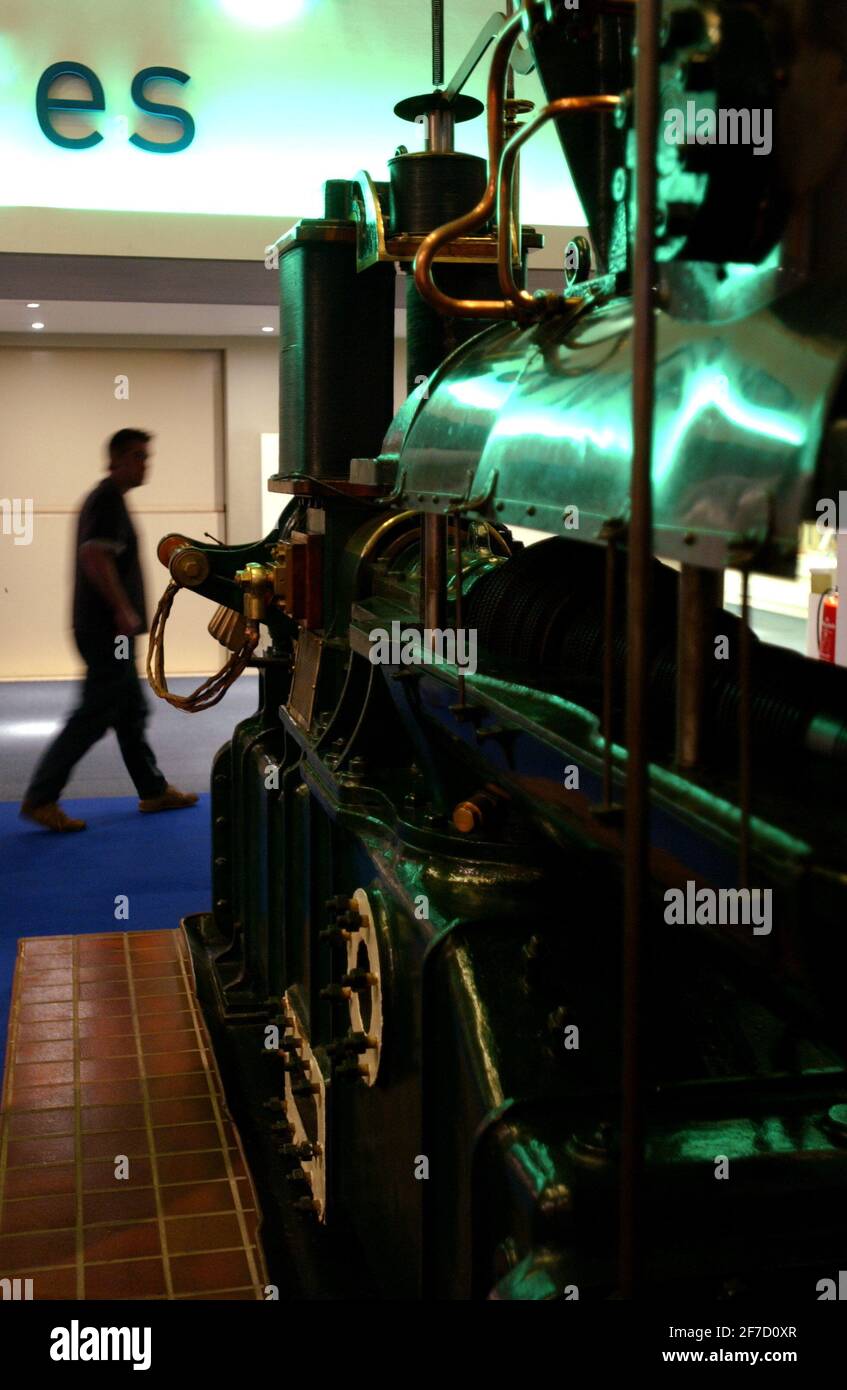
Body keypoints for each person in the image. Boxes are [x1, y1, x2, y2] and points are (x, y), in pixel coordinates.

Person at [20, 428, 197, 832]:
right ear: (114, 460)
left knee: (130, 712)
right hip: (108, 633)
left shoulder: (110, 500)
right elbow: (94, 557)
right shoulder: (106, 500)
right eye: (137, 456)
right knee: (95, 713)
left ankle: (153, 790)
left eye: (146, 457)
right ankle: (40, 798)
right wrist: (121, 609)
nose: (144, 464)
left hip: (109, 632)